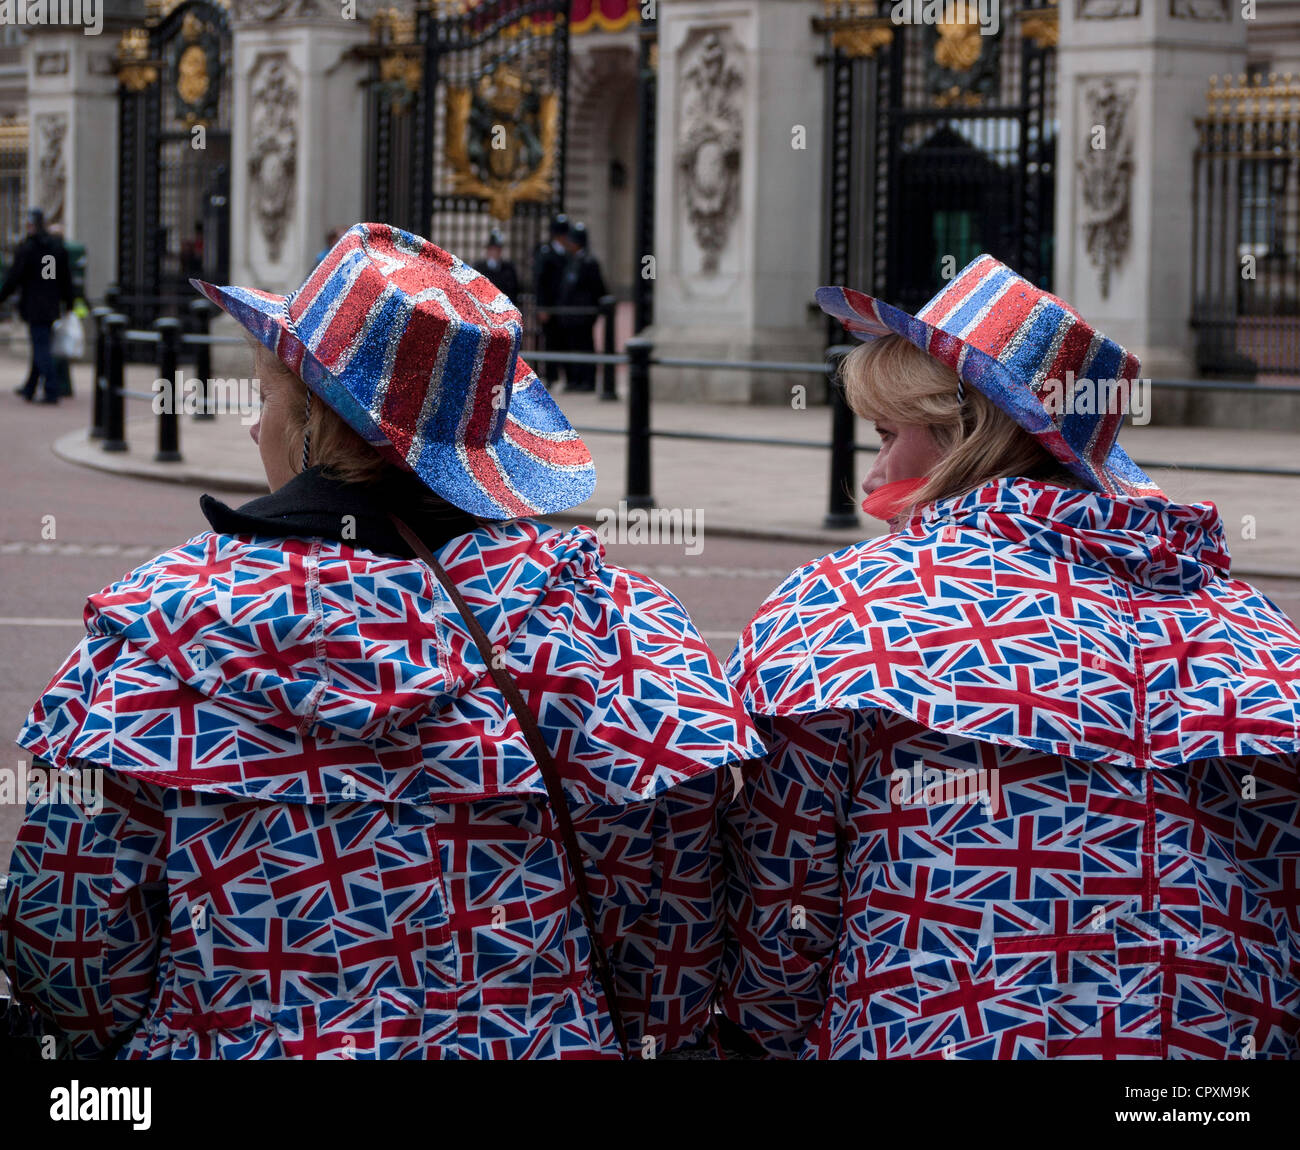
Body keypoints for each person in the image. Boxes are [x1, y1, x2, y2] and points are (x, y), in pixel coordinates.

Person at [0, 222, 764, 1060]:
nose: (257, 431)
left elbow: (66, 945)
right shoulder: (615, 632)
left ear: (312, 421)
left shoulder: (151, 635)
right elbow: (676, 940)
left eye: (271, 400)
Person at [720, 254, 1300, 1059]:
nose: (878, 474)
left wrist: (769, 1033)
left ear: (961, 435)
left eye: (890, 436)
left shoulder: (841, 616)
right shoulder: (1250, 628)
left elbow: (785, 897)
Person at [1, 208, 74, 404]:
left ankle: (51, 389)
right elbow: (66, 279)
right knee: (40, 344)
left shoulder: (28, 248)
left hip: (34, 305)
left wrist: (2, 296)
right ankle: (30, 387)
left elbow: (14, 278)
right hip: (51, 304)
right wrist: (69, 303)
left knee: (41, 347)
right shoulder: (57, 247)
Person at [556, 222, 608, 393]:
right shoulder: (571, 261)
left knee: (584, 347)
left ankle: (587, 381)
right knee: (572, 346)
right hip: (571, 314)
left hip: (583, 315)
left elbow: (597, 288)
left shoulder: (589, 262)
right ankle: (575, 379)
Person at [533, 214, 570, 388]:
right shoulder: (546, 254)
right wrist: (541, 306)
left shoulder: (567, 254)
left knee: (564, 341)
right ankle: (550, 376)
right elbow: (540, 282)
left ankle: (565, 376)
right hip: (550, 305)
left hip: (564, 306)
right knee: (550, 341)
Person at [473, 227, 519, 302]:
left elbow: (513, 291)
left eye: (496, 250)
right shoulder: (479, 268)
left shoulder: (508, 269)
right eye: (491, 249)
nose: (493, 253)